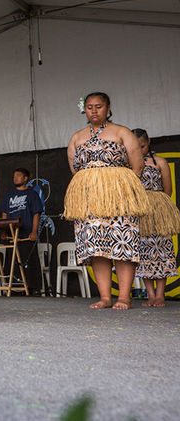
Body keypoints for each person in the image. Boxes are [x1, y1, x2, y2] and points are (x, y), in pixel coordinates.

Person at [63, 92, 148, 310]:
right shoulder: (77, 137)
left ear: (108, 108)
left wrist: (119, 189)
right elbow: (75, 169)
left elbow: (137, 166)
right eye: (90, 107)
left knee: (122, 245)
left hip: (118, 198)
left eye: (98, 106)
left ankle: (124, 297)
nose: (94, 110)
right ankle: (105, 297)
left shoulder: (122, 132)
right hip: (90, 200)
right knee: (97, 248)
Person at [132, 129, 180, 307]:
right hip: (140, 213)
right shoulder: (129, 165)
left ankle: (160, 294)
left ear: (148, 142)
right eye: (136, 148)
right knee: (144, 252)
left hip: (158, 213)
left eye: (142, 147)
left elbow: (168, 190)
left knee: (162, 250)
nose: (140, 151)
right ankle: (150, 294)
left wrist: (158, 206)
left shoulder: (159, 162)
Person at [0, 168, 43, 295]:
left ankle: (32, 289)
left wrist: (34, 231)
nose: (15, 178)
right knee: (11, 262)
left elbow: (36, 214)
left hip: (26, 235)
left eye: (19, 176)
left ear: (25, 178)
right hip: (12, 236)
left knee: (29, 263)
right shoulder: (9, 195)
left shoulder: (32, 194)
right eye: (14, 176)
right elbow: (4, 214)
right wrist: (4, 230)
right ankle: (12, 289)